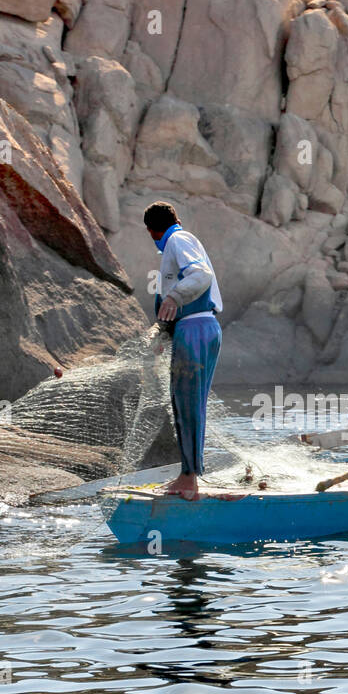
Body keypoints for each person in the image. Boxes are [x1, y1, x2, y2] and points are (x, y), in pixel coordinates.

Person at [144, 201, 222, 500]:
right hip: (199, 328)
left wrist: (174, 297)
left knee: (186, 405)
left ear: (152, 230)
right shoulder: (179, 243)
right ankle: (190, 475)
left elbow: (201, 276)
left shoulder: (178, 239)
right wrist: (164, 332)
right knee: (189, 404)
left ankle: (189, 480)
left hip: (195, 329)